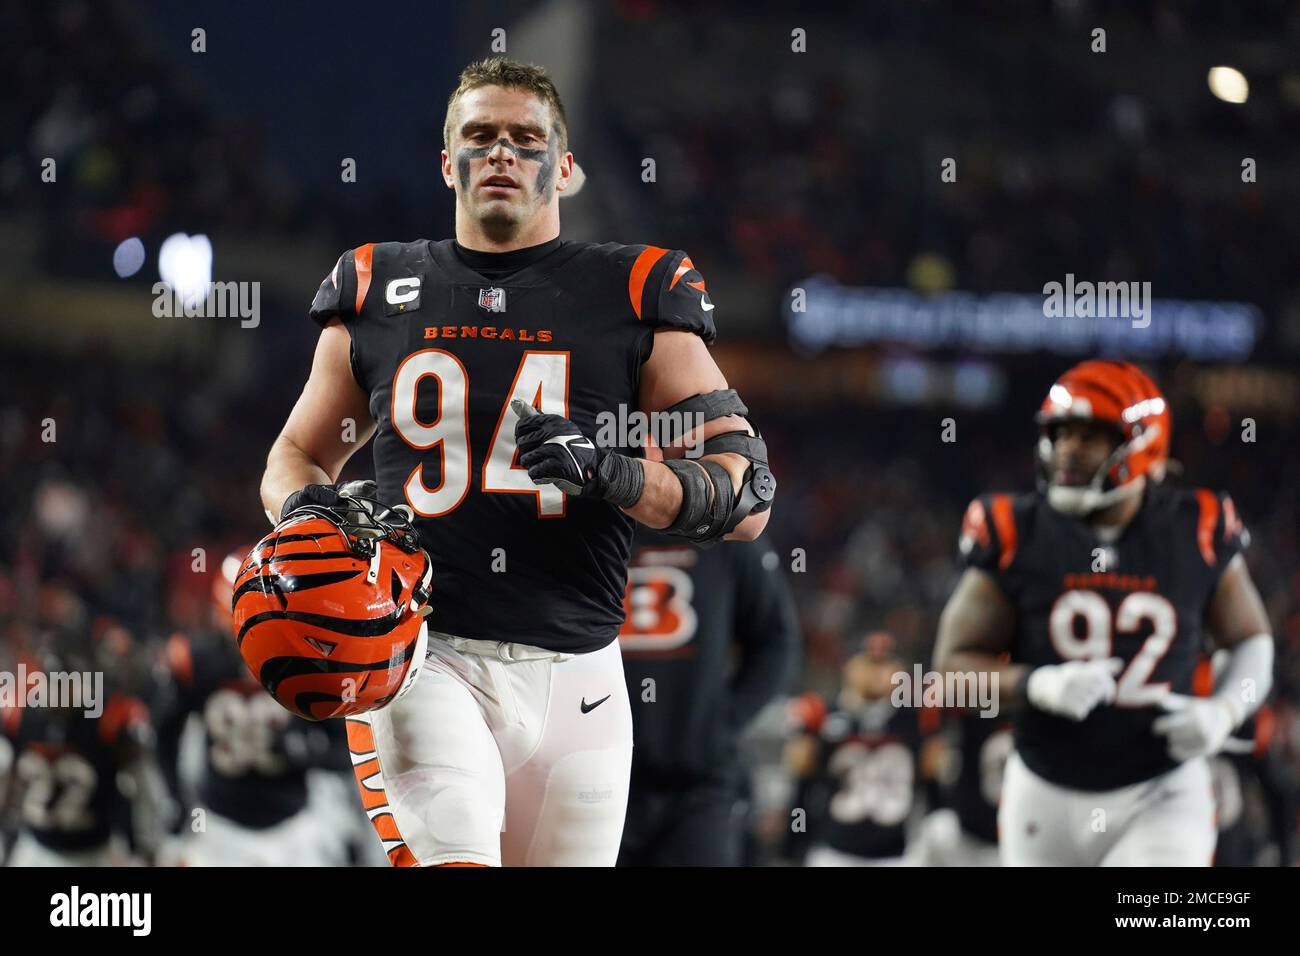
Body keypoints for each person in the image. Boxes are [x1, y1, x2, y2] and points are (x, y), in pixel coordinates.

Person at [256, 57, 775, 867]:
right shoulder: (378, 285)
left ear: (564, 167)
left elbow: (748, 495)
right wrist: (312, 515)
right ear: (447, 162)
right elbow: (296, 456)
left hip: (582, 673)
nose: (502, 153)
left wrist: (615, 472)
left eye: (527, 139)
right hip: (430, 657)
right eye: (480, 136)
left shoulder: (634, 288)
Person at [934, 360, 1274, 866]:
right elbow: (949, 675)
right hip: (1044, 788)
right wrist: (1036, 685)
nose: (1068, 448)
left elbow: (1249, 641)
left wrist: (1225, 710)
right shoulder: (1013, 529)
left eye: (1090, 435)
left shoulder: (1196, 527)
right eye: (1060, 432)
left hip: (1160, 790)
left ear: (1142, 444)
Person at [616, 528, 798, 866]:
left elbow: (777, 640)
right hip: (603, 777)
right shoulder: (594, 522)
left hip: (701, 785)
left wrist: (723, 723)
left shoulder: (725, 529)